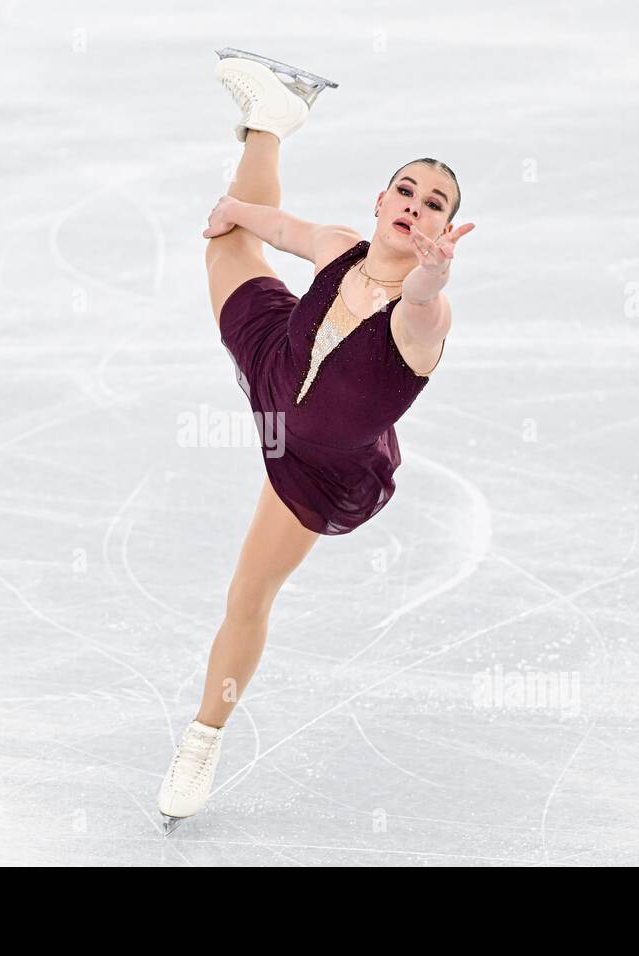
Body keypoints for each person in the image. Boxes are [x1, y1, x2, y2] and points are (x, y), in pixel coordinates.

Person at [158, 50, 476, 831]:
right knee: (228, 245)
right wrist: (237, 214)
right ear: (381, 199)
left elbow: (425, 298)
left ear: (443, 229)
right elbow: (277, 227)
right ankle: (271, 117)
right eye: (406, 190)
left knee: (247, 596)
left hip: (318, 464)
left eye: (435, 203)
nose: (416, 205)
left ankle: (202, 740)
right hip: (276, 365)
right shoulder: (341, 248)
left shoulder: (421, 316)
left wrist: (432, 276)